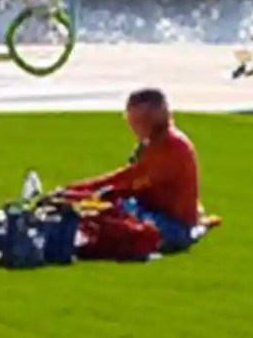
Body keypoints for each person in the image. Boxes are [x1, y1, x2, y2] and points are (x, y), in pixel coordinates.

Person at [64, 88, 201, 252]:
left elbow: (129, 182)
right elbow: (128, 177)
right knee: (110, 207)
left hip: (173, 226)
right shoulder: (153, 143)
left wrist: (81, 192)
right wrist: (78, 189)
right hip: (155, 211)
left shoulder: (172, 147)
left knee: (111, 216)